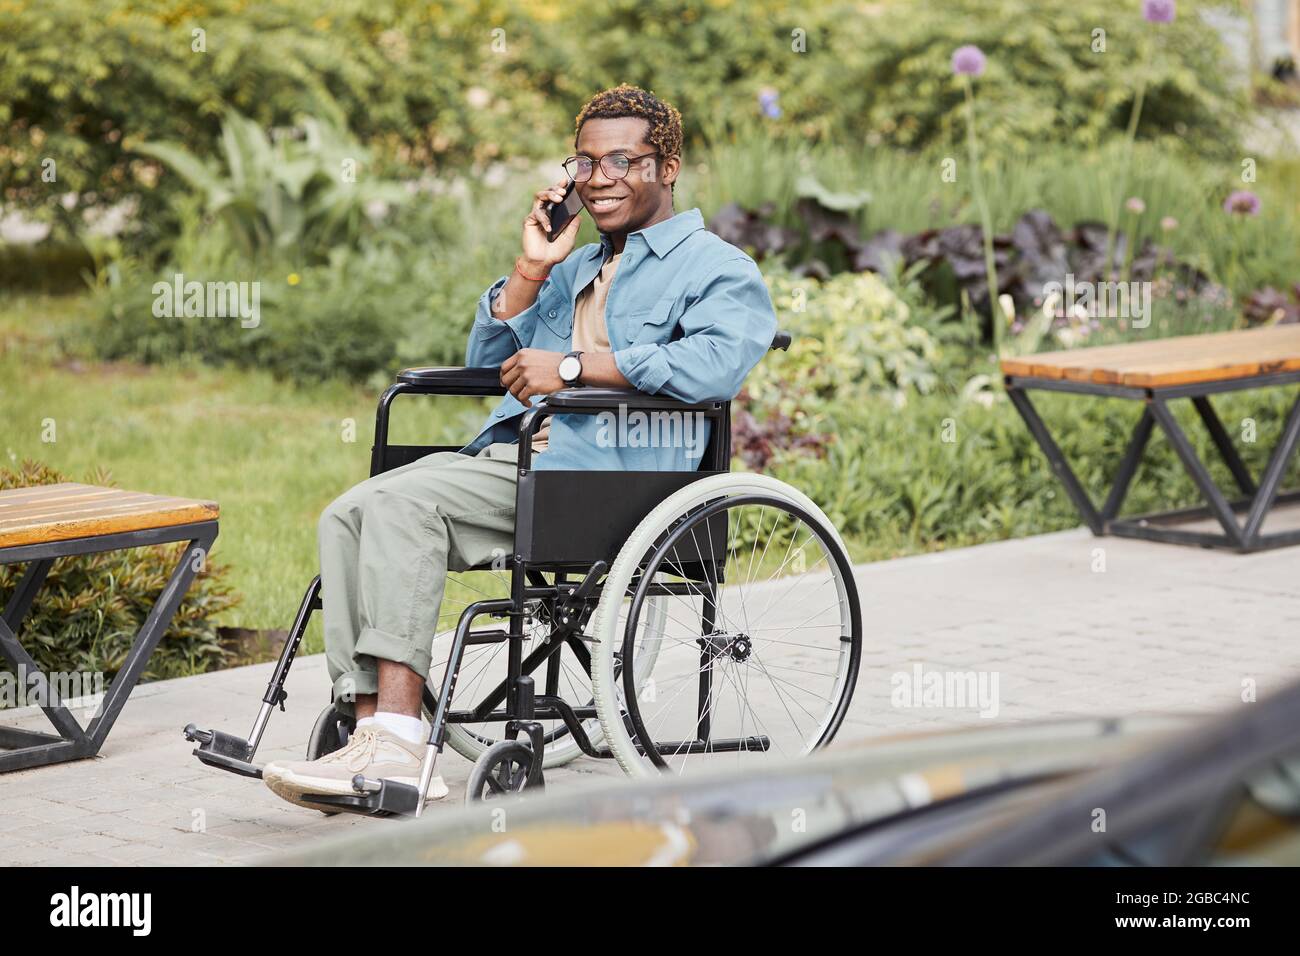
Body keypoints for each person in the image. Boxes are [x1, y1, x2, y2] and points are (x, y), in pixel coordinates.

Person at [263, 83, 777, 809]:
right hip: (529, 462)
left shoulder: (717, 267)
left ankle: (402, 744)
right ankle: (371, 726)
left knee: (405, 507)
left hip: (615, 476)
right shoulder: (572, 265)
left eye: (622, 162)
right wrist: (533, 265)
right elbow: (488, 358)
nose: (599, 181)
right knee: (349, 511)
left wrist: (572, 367)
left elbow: (714, 365)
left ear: (667, 167)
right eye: (586, 164)